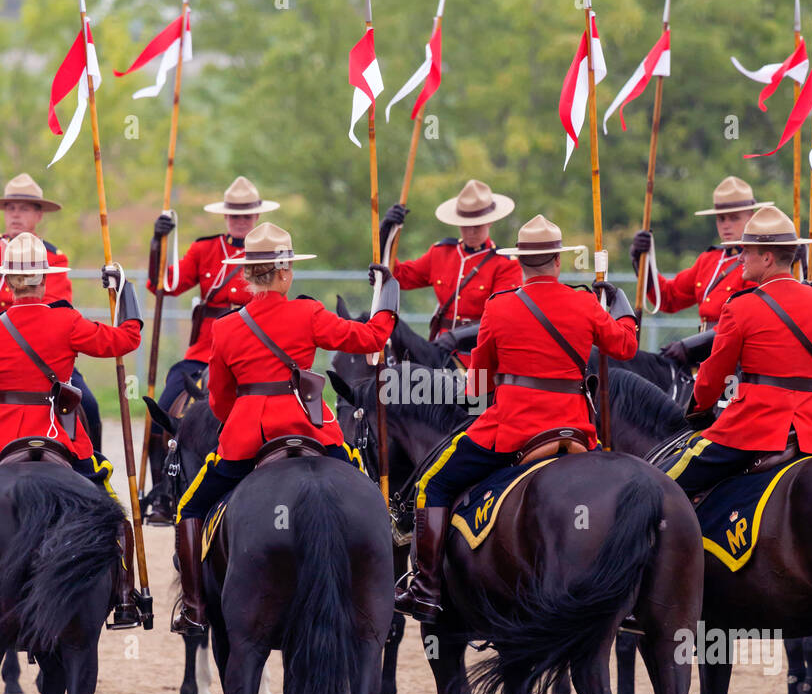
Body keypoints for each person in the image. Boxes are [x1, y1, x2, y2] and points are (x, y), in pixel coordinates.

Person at [394, 214, 638, 620]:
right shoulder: (584, 303)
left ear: (520, 264)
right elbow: (626, 347)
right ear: (557, 262)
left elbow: (477, 388)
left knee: (433, 484)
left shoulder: (500, 306)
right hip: (575, 430)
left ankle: (427, 589)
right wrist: (622, 307)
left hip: (512, 431)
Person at [171, 222, 400, 636]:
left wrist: (242, 416)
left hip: (246, 438)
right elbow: (369, 338)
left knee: (189, 507)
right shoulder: (309, 313)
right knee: (362, 489)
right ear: (284, 273)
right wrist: (388, 295)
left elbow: (221, 400)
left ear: (246, 275)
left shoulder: (224, 329)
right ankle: (382, 584)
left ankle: (193, 607)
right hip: (312, 429)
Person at [664, 205, 812, 499]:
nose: (740, 257)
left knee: (661, 485)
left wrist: (697, 409)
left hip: (753, 430)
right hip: (810, 433)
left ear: (767, 257)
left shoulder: (740, 307)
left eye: (746, 250)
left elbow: (714, 375)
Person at [0, 233, 144, 626]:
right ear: (44, 281)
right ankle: (125, 594)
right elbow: (125, 340)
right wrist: (125, 290)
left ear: (7, 283)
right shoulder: (65, 320)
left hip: (4, 439)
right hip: (59, 440)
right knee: (112, 516)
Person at [145, 175, 280, 522]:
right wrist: (158, 243)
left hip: (255, 349)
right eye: (235, 215)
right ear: (225, 217)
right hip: (205, 350)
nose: (241, 221)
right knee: (162, 411)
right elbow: (164, 285)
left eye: (247, 215)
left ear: (257, 217)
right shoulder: (205, 250)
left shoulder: (271, 251)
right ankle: (162, 494)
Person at [0, 172, 103, 448]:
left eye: (24, 208)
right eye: (10, 207)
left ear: (38, 215)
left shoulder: (53, 257)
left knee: (89, 406)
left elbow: (53, 305)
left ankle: (91, 468)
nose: (15, 214)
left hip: (44, 352)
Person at [378, 179, 523, 360]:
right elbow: (399, 276)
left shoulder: (505, 264)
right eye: (465, 225)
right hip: (440, 350)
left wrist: (457, 337)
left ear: (490, 222)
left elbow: (500, 317)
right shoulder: (441, 253)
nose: (470, 232)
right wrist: (385, 234)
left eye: (476, 226)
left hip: (481, 352)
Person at [630, 175, 759, 366]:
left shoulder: (759, 261)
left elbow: (744, 323)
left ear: (750, 216)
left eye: (734, 218)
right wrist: (642, 260)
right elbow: (667, 297)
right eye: (721, 218)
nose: (726, 224)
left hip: (741, 358)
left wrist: (689, 346)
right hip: (706, 358)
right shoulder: (709, 260)